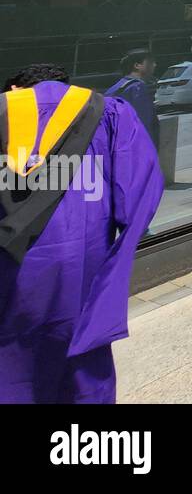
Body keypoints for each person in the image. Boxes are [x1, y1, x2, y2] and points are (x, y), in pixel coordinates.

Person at [1, 63, 164, 403]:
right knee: (82, 356)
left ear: (17, 89)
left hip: (13, 266)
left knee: (13, 356)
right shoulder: (108, 112)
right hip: (86, 263)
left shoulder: (3, 112)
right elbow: (137, 192)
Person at [105, 49, 160, 147]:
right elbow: (143, 124)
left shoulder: (116, 87)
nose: (155, 65)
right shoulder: (138, 88)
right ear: (137, 65)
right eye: (150, 62)